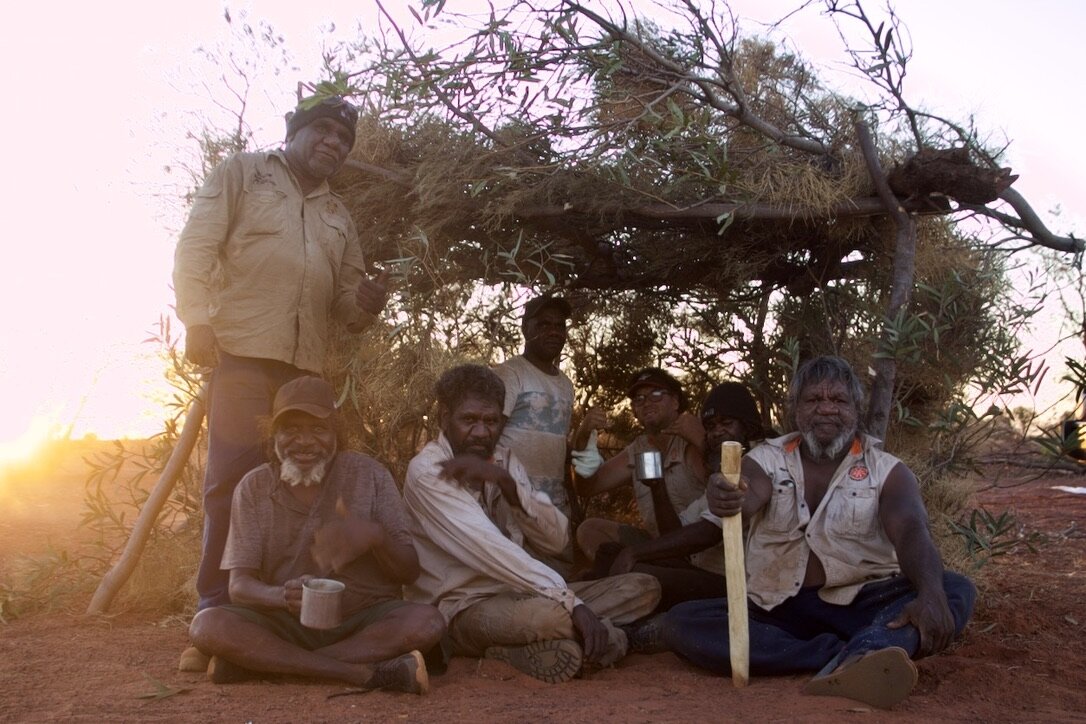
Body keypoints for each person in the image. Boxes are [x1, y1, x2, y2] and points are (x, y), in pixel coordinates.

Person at [173, 96, 391, 669]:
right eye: (323, 130)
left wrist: (367, 303)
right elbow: (196, 244)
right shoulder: (243, 173)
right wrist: (196, 319)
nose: (333, 144)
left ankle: (281, 614)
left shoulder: (340, 215)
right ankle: (213, 613)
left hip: (305, 369)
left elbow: (347, 306)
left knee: (304, 487)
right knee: (231, 479)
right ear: (294, 130)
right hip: (243, 352)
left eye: (344, 140)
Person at [660, 356, 976, 709]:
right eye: (813, 400)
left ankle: (863, 651)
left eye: (838, 400)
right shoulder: (766, 458)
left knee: (953, 588)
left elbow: (911, 531)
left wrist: (930, 593)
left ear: (856, 409)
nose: (826, 409)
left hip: (860, 601)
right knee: (682, 622)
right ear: (795, 410)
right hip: (775, 608)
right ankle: (850, 655)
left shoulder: (888, 471)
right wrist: (729, 495)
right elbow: (748, 492)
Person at [402, 364, 660, 683]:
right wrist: (570, 601)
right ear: (444, 418)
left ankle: (523, 650)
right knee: (553, 617)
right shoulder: (428, 471)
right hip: (463, 607)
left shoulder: (503, 461)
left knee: (644, 588)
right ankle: (612, 640)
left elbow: (555, 539)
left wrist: (509, 488)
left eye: (491, 421)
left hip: (520, 591)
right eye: (469, 420)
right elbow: (493, 549)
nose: (482, 432)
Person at [188, 376, 445, 693]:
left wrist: (374, 535)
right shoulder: (253, 487)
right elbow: (239, 587)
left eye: (318, 429)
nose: (305, 441)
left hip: (363, 620)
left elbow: (409, 573)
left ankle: (271, 664)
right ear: (273, 436)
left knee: (428, 621)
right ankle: (358, 673)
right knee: (207, 624)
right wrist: (282, 596)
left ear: (337, 434)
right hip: (284, 624)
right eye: (291, 429)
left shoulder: (370, 475)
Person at [594, 382, 766, 614]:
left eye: (727, 424)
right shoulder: (724, 472)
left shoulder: (760, 461)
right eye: (711, 427)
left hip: (736, 584)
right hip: (700, 569)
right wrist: (657, 485)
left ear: (748, 427)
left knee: (640, 570)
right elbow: (675, 533)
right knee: (609, 553)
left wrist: (635, 552)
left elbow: (708, 532)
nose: (717, 432)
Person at [574, 368, 706, 563]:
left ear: (676, 402)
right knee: (590, 530)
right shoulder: (638, 449)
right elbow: (587, 488)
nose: (647, 403)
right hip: (658, 545)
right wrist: (582, 436)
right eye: (639, 399)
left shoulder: (692, 440)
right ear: (635, 411)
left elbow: (731, 482)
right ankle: (636, 575)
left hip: (700, 547)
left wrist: (702, 440)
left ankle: (645, 576)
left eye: (656, 395)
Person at [492, 294, 605, 521]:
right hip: (512, 507)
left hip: (554, 509)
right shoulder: (510, 374)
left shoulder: (566, 385)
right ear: (525, 329)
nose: (554, 332)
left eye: (559, 326)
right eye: (543, 324)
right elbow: (487, 436)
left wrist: (573, 505)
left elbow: (557, 449)